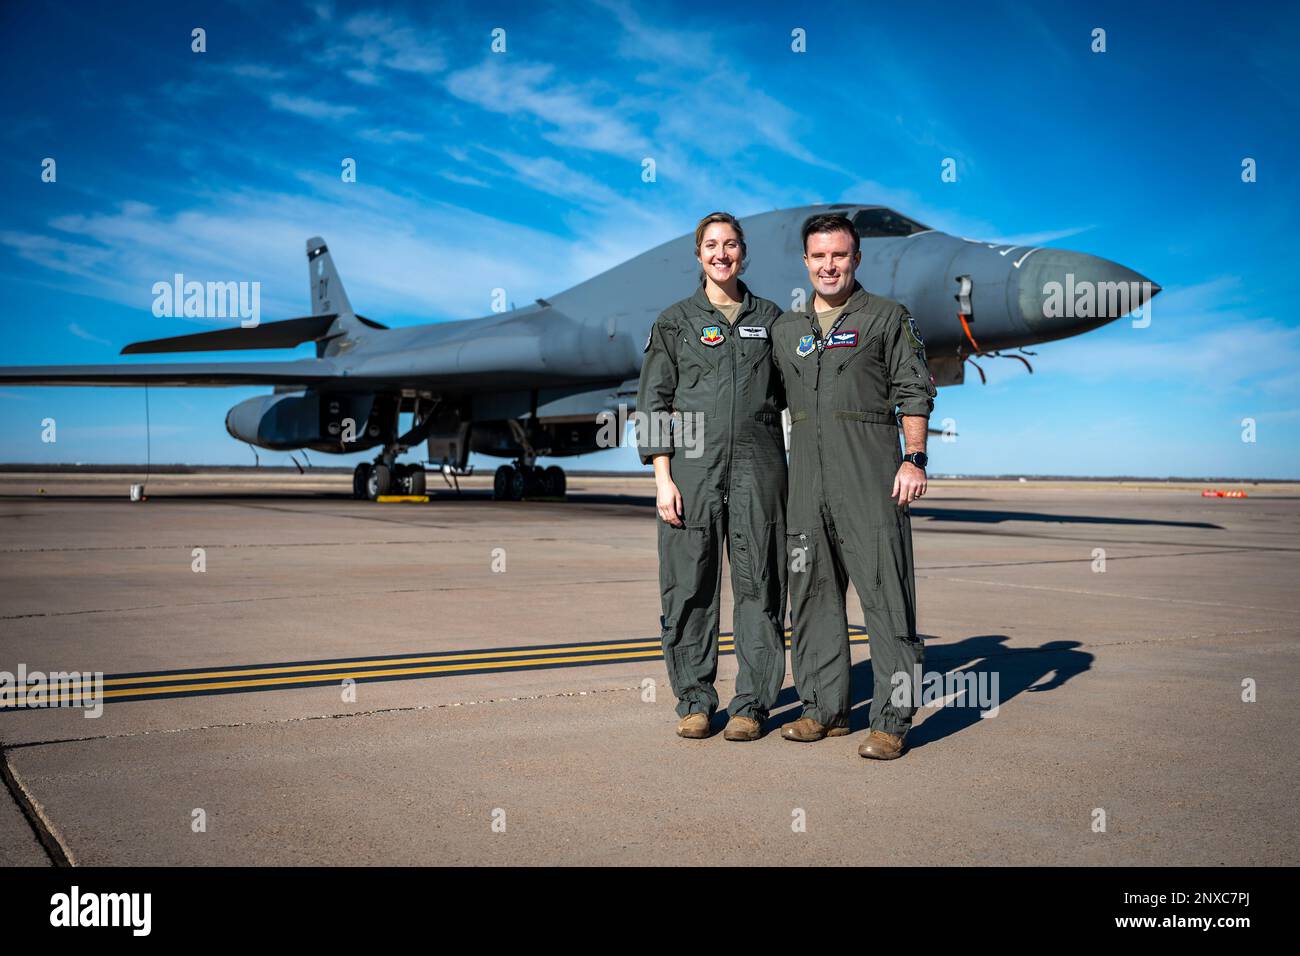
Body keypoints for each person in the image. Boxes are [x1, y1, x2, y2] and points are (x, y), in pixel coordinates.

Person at [770, 213, 936, 760]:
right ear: (806, 262)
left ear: (856, 259)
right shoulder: (787, 331)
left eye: (839, 255)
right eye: (819, 256)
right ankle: (824, 710)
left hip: (870, 479)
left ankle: (892, 721)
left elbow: (915, 390)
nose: (829, 265)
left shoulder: (887, 318)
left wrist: (914, 458)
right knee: (812, 597)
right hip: (806, 485)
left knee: (888, 599)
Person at [636, 212, 788, 741]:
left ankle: (752, 704)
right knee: (688, 589)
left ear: (743, 252)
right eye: (711, 245)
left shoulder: (772, 319)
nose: (721, 254)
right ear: (698, 254)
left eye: (730, 244)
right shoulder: (675, 321)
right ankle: (695, 701)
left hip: (758, 468)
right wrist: (663, 478)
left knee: (760, 586)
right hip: (692, 470)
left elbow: (804, 392)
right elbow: (654, 402)